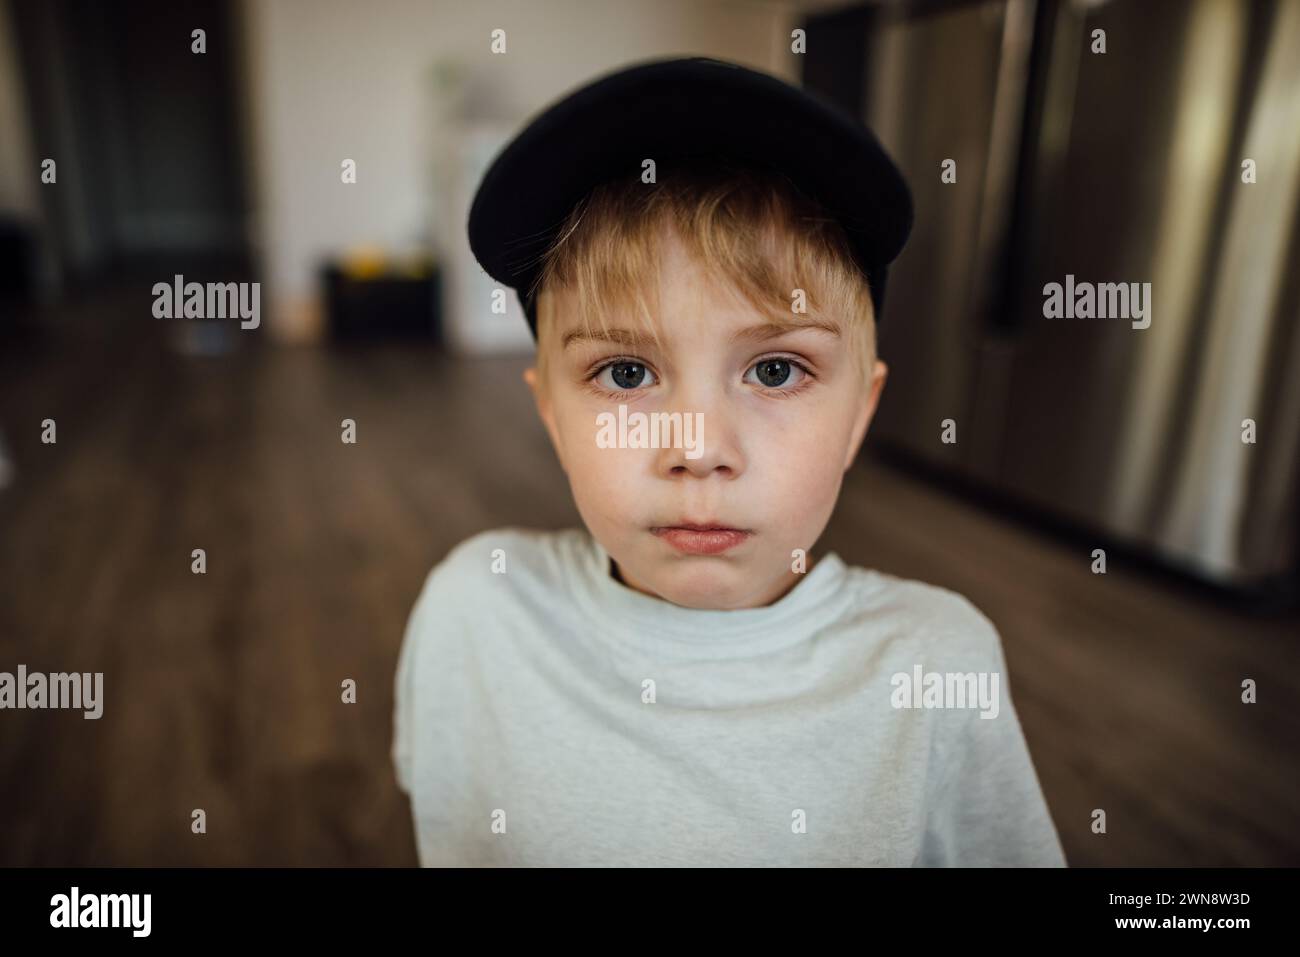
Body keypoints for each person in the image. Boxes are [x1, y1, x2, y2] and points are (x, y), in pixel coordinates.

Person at [392, 57, 1065, 867]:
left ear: (859, 415)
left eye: (776, 370)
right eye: (626, 373)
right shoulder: (473, 613)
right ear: (552, 417)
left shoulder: (936, 665)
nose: (699, 448)